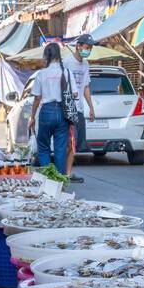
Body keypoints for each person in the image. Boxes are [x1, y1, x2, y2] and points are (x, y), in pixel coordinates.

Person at [27, 42, 75, 170]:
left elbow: (37, 98)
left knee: (43, 147)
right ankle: (59, 182)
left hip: (46, 111)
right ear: (59, 55)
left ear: (46, 56)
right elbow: (74, 94)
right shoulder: (67, 72)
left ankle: (48, 179)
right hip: (62, 112)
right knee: (60, 149)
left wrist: (32, 117)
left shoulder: (41, 74)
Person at [62, 34, 97, 183]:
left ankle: (68, 174)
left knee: (74, 142)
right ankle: (63, 172)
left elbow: (86, 86)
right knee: (68, 142)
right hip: (68, 108)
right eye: (86, 47)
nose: (88, 50)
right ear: (78, 46)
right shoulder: (67, 62)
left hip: (80, 109)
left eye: (90, 48)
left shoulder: (86, 64)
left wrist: (91, 107)